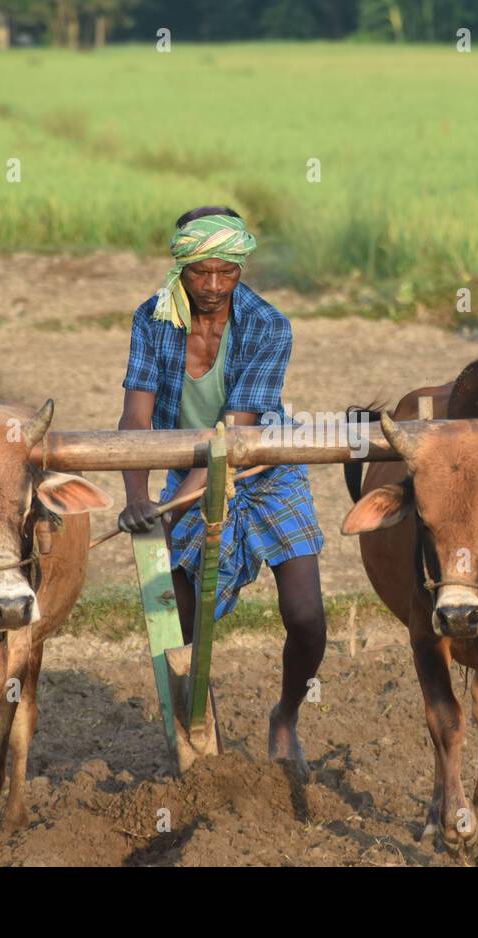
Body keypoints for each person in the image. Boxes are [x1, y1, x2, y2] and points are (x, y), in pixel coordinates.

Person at [117, 206, 326, 772]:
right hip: (185, 471)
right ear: (179, 268)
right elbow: (135, 419)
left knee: (305, 612)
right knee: (180, 621)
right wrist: (138, 497)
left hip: (264, 469)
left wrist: (167, 505)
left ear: (241, 268)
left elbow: (234, 436)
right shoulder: (151, 320)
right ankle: (197, 723)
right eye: (200, 273)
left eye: (227, 272)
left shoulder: (268, 325)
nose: (213, 287)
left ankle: (285, 716)